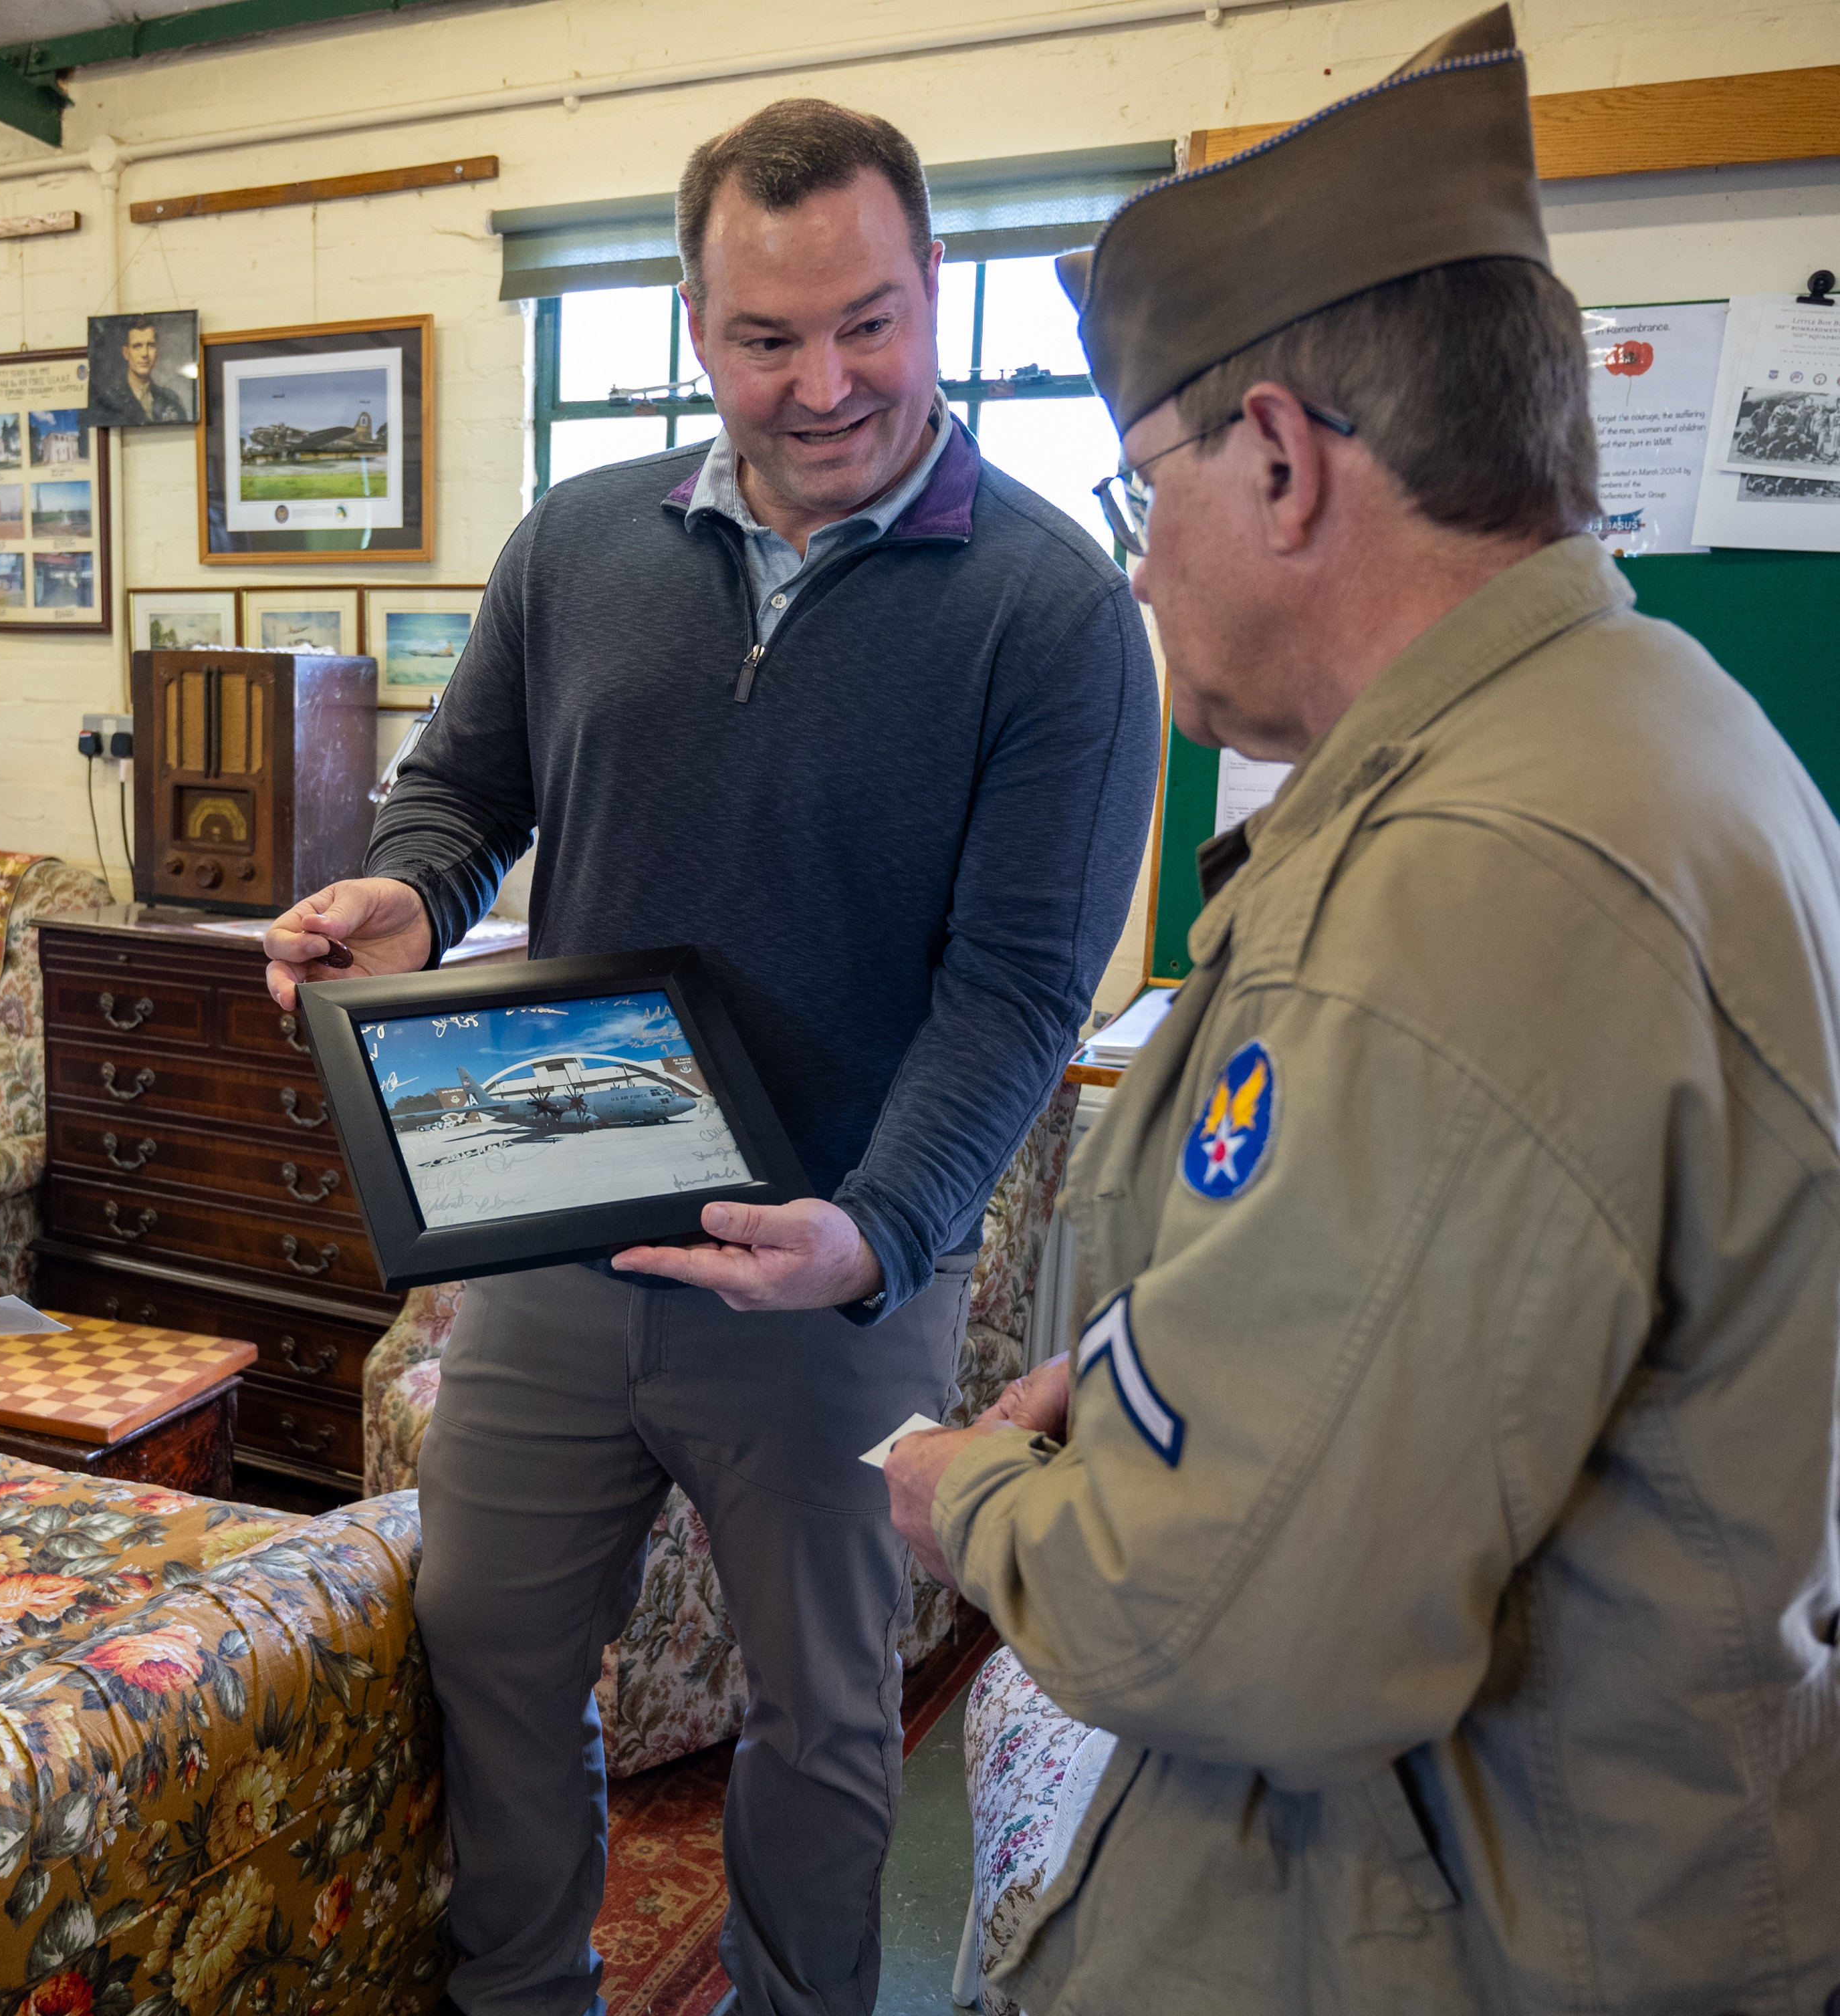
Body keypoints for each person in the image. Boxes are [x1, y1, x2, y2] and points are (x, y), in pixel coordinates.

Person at [882, 10, 1840, 2011]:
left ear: (1284, 463)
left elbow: (1245, 1627)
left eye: (1141, 482)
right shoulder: (1661, 735)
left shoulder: (1469, 877)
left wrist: (969, 1497)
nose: (1139, 564)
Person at [265, 98, 1160, 2016]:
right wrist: (404, 903)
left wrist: (870, 1234)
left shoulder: (1055, 615)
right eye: (765, 338)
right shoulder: (576, 542)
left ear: (931, 293)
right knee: (488, 1655)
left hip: (836, 1283)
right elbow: (460, 795)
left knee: (824, 1722)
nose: (823, 381)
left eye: (868, 321)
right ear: (693, 325)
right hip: (556, 1235)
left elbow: (1014, 991)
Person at [95, 316, 188, 425]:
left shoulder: (172, 401)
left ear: (157, 352)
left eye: (150, 345)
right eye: (137, 346)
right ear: (126, 353)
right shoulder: (109, 401)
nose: (145, 354)